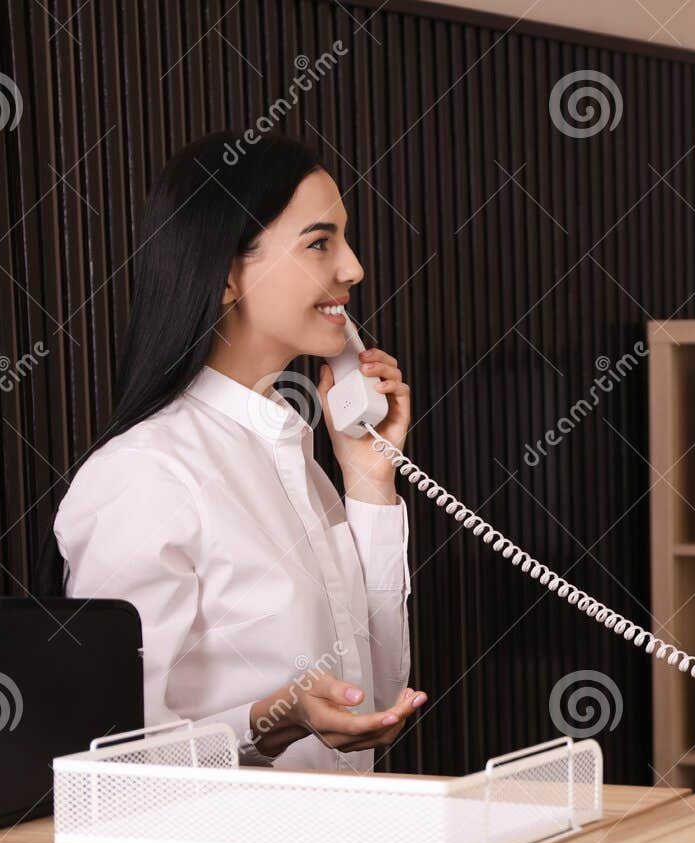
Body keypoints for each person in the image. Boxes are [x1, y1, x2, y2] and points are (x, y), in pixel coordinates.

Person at [47, 131, 426, 770]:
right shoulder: (144, 476)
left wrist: (369, 481)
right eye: (319, 242)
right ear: (226, 273)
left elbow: (377, 699)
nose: (353, 268)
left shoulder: (300, 460)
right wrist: (271, 722)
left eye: (345, 238)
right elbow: (111, 758)